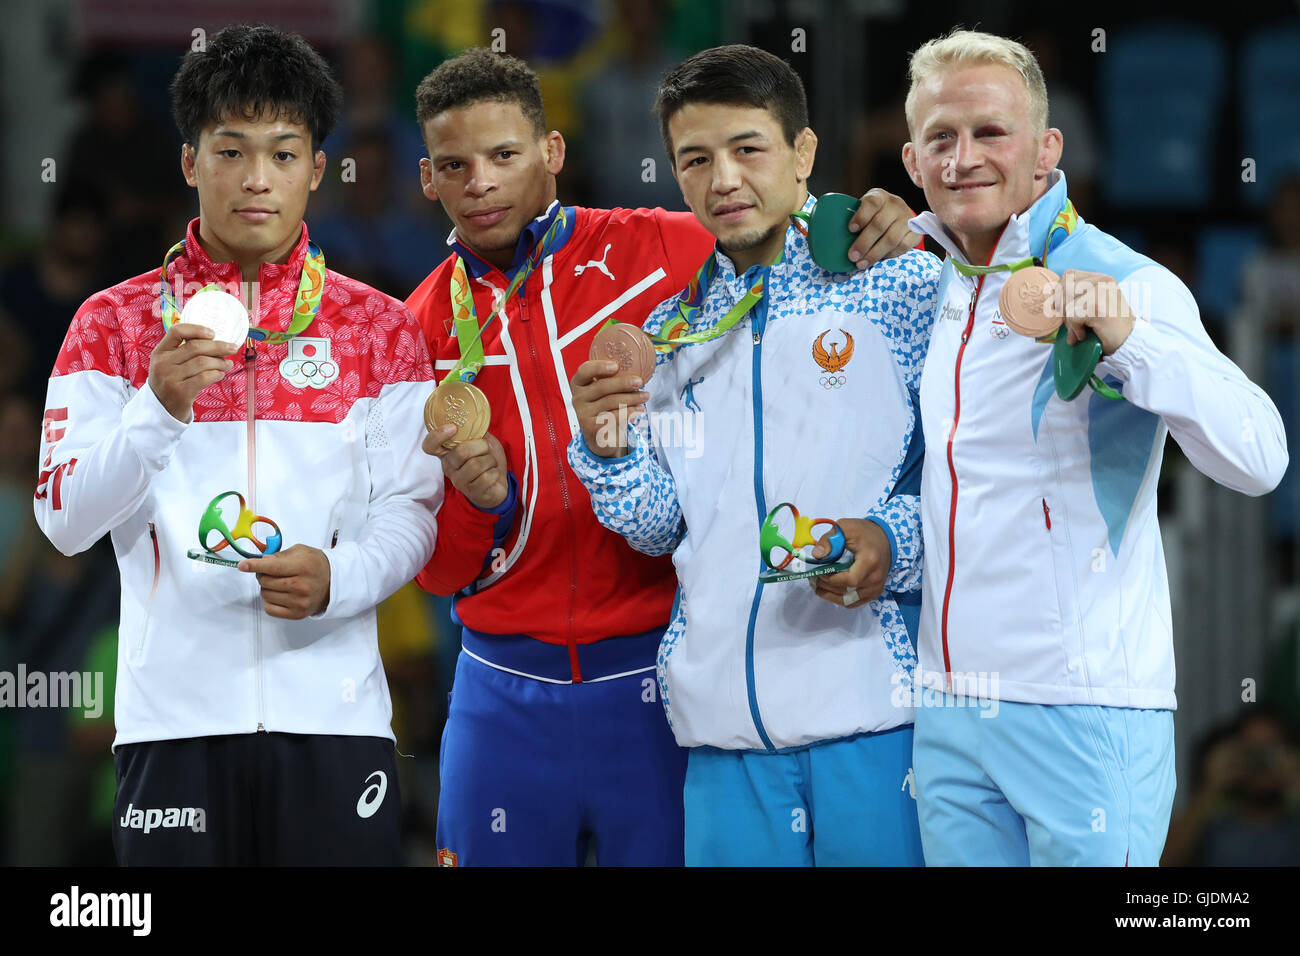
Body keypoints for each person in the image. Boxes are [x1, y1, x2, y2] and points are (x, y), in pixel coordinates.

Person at [406, 47, 920, 866]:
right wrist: (493, 495)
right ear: (427, 179)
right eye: (453, 165)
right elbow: (438, 566)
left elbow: (781, 220)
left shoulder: (666, 257)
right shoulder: (418, 326)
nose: (481, 181)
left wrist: (878, 217)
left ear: (552, 153)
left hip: (659, 681)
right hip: (514, 689)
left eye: (504, 155)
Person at [32, 25, 442, 866]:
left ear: (317, 171)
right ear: (190, 162)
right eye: (231, 150)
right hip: (171, 728)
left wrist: (340, 579)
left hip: (335, 723)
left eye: (284, 154)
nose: (257, 179)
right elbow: (64, 522)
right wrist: (158, 408)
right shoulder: (110, 325)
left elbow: (412, 514)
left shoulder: (381, 329)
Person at [898, 28, 1289, 866]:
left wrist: (1127, 339)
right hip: (949, 708)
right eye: (941, 138)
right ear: (911, 159)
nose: (963, 157)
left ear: (1047, 150)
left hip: (1084, 709)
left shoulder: (1127, 279)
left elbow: (1260, 458)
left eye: (990, 132)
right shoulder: (925, 291)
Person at [568, 44, 939, 866]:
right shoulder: (667, 334)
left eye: (748, 149)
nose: (723, 179)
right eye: (695, 159)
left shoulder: (900, 283)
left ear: (803, 154)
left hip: (876, 712)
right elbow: (659, 527)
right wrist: (608, 446)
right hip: (723, 731)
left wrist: (891, 543)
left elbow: (962, 476)